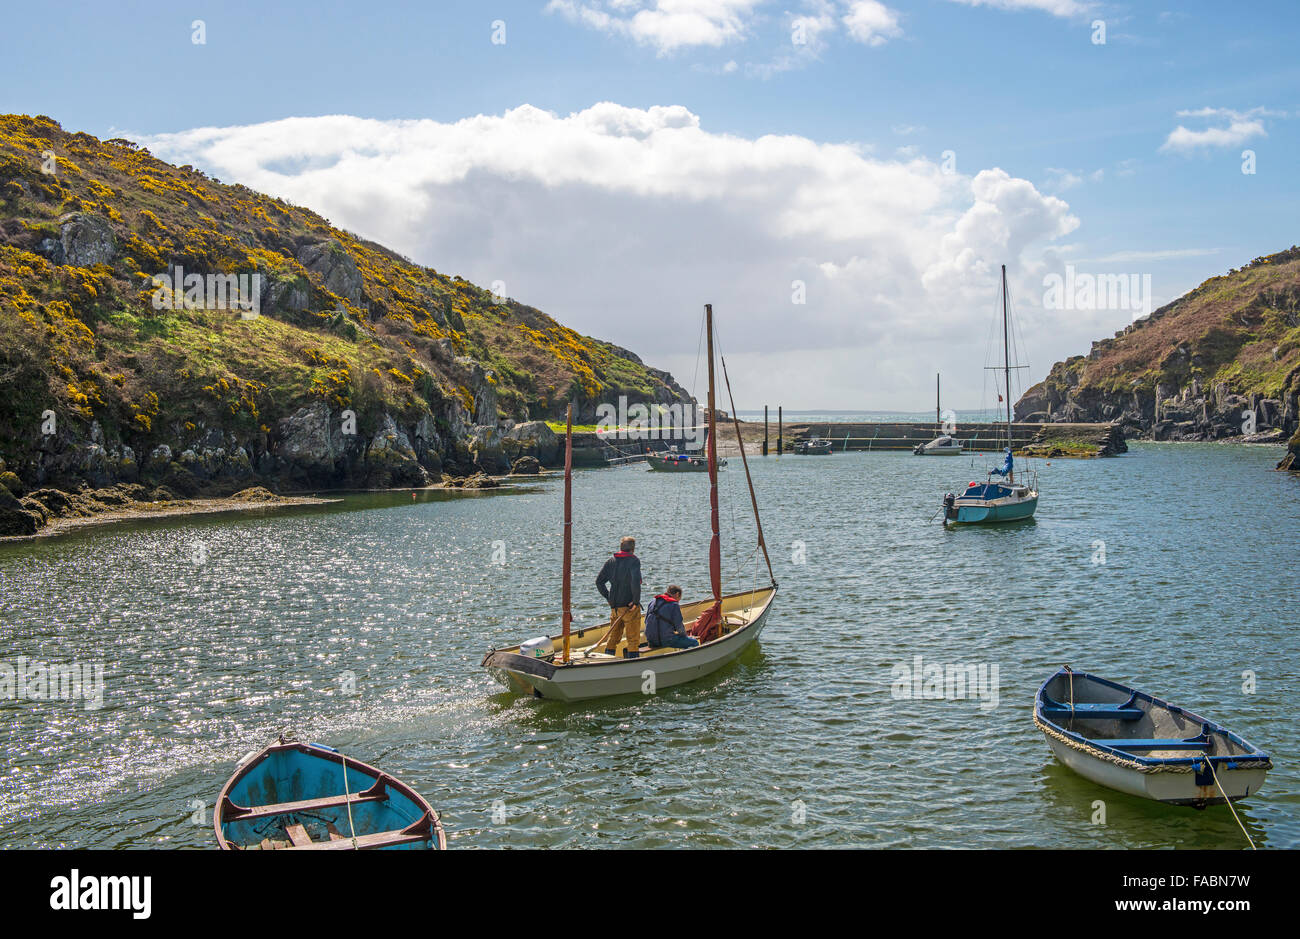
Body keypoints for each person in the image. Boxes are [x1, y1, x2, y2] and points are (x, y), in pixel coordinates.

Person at [596, 536, 643, 658]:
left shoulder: (611, 561)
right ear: (633, 549)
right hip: (629, 606)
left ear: (621, 547)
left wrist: (608, 597)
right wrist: (636, 602)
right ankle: (633, 664)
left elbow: (599, 582)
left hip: (615, 606)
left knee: (613, 637)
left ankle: (607, 661)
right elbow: (635, 582)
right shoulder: (634, 561)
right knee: (633, 639)